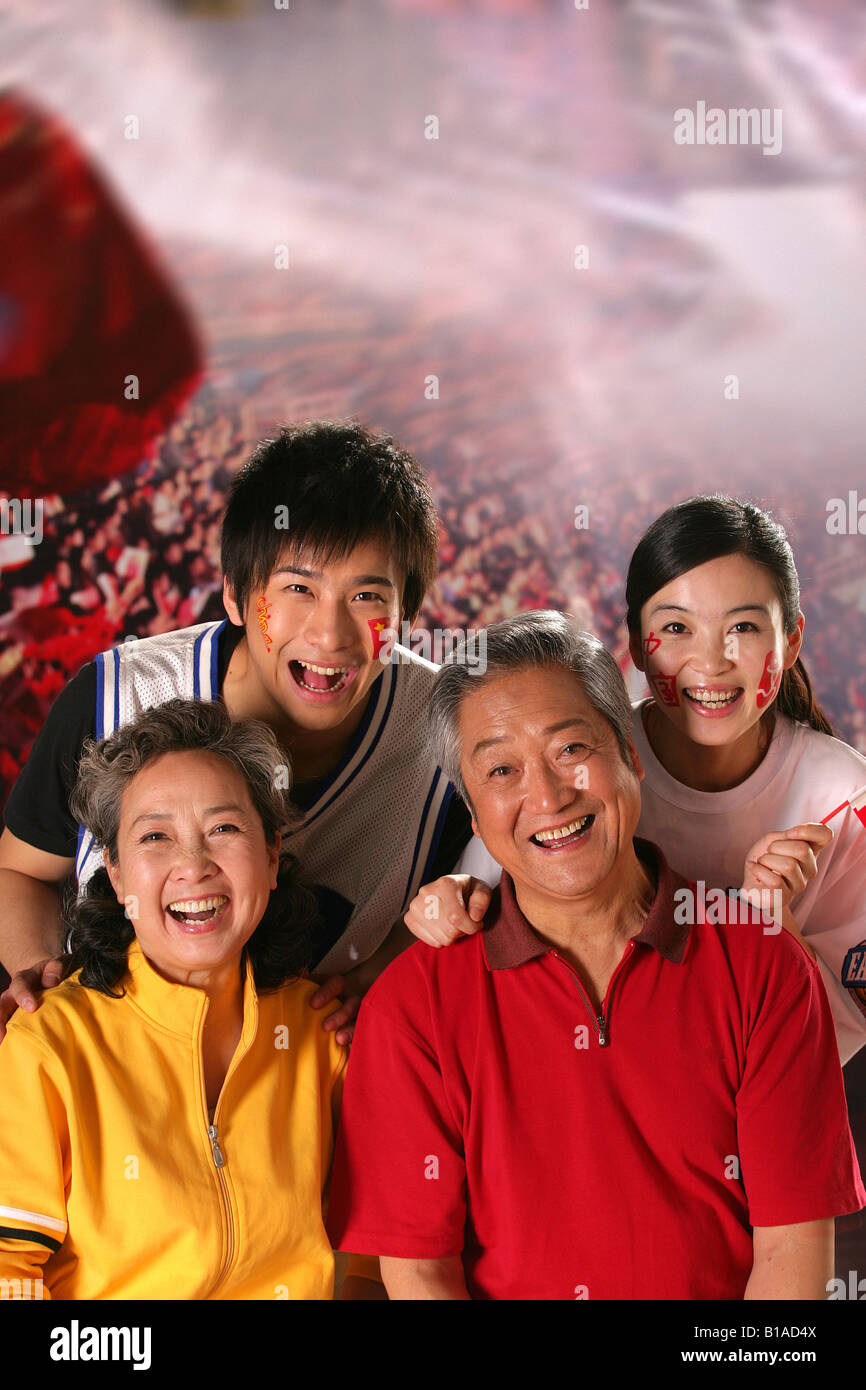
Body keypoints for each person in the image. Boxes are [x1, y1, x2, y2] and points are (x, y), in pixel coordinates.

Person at [327, 613, 865, 1300]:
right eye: (501, 770)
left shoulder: (765, 968)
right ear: (472, 808)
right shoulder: (412, 1006)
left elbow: (792, 1254)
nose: (548, 798)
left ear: (631, 757)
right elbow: (421, 1274)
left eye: (571, 748)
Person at [0, 420, 473, 1040]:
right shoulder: (118, 694)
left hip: (299, 1089)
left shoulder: (452, 728)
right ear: (235, 595)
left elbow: (465, 899)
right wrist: (40, 971)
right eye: (298, 588)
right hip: (110, 1056)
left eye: (366, 597)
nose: (329, 635)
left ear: (407, 612)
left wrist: (381, 979)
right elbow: (21, 871)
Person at [407, 497, 866, 1064]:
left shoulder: (843, 798)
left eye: (743, 627)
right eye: (676, 627)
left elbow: (847, 1023)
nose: (712, 661)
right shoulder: (584, 756)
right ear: (635, 646)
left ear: (791, 640)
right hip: (586, 1067)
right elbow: (484, 888)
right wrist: (452, 902)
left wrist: (773, 934)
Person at [0, 698, 380, 1299]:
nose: (193, 865)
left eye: (224, 829)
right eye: (155, 836)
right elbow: (7, 1268)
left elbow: (374, 1250)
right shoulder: (48, 1046)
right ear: (118, 876)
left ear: (272, 856)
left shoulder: (324, 1034)